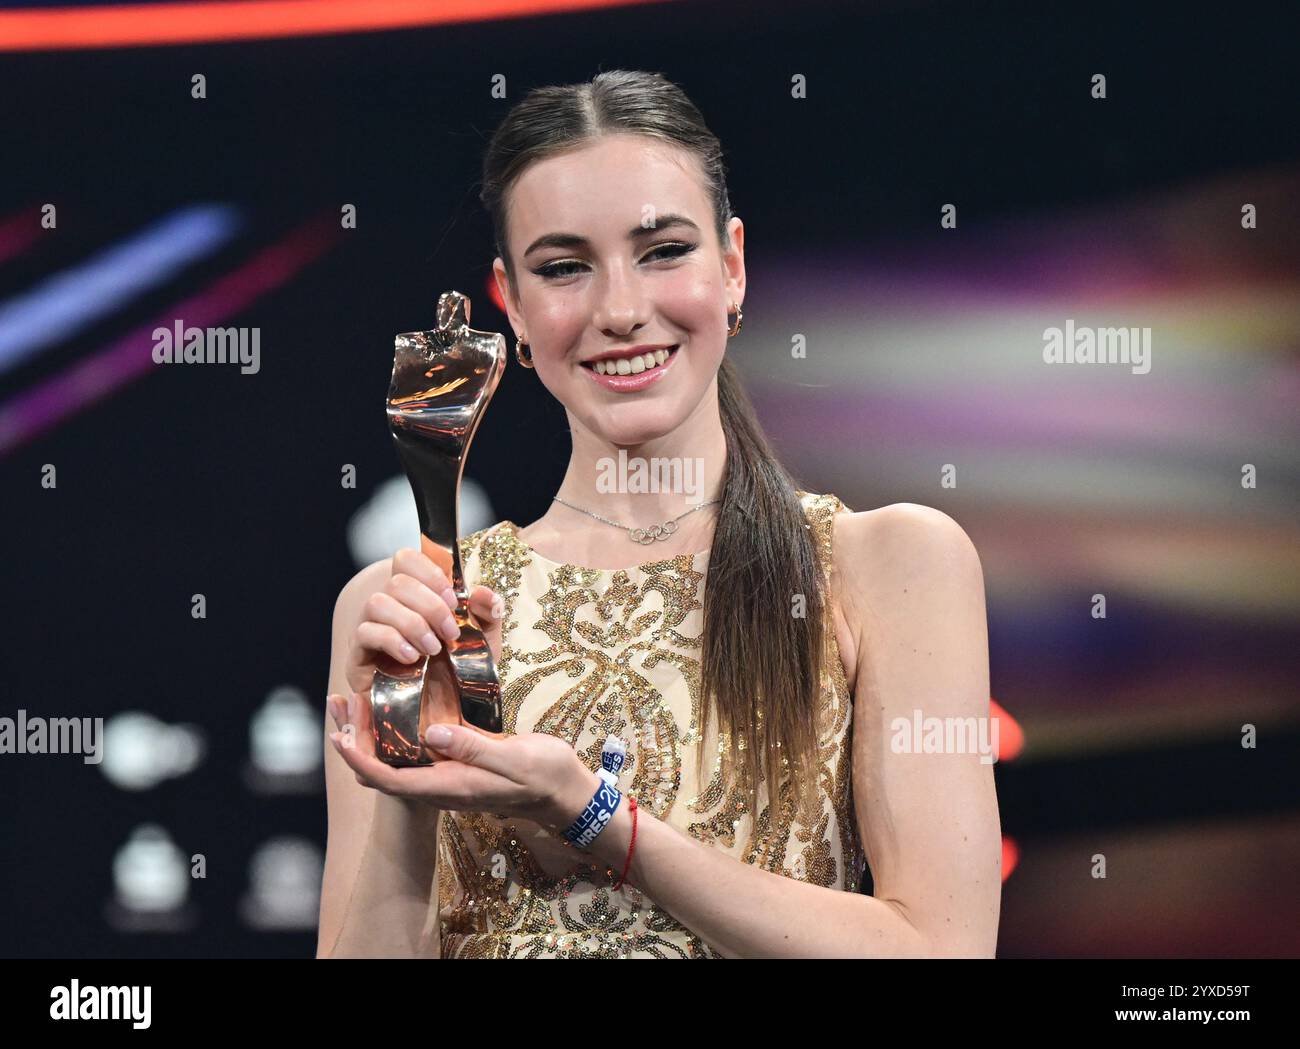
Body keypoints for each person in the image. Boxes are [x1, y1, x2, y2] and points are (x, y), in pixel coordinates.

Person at [316, 69, 1001, 959]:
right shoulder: (411, 609)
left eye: (664, 251)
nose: (622, 310)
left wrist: (596, 815)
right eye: (564, 269)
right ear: (512, 307)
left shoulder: (890, 564)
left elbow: (942, 951)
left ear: (733, 266)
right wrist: (411, 776)